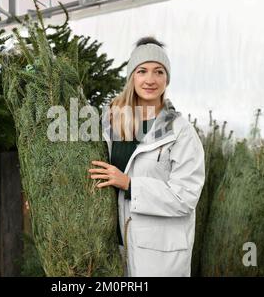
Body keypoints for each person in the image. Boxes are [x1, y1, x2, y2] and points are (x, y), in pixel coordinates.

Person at [88, 37, 205, 277]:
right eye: (142, 71)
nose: (150, 80)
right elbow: (90, 169)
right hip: (113, 245)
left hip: (158, 256)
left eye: (158, 72)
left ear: (166, 79)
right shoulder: (110, 123)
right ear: (132, 76)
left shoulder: (180, 131)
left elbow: (185, 196)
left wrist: (130, 185)